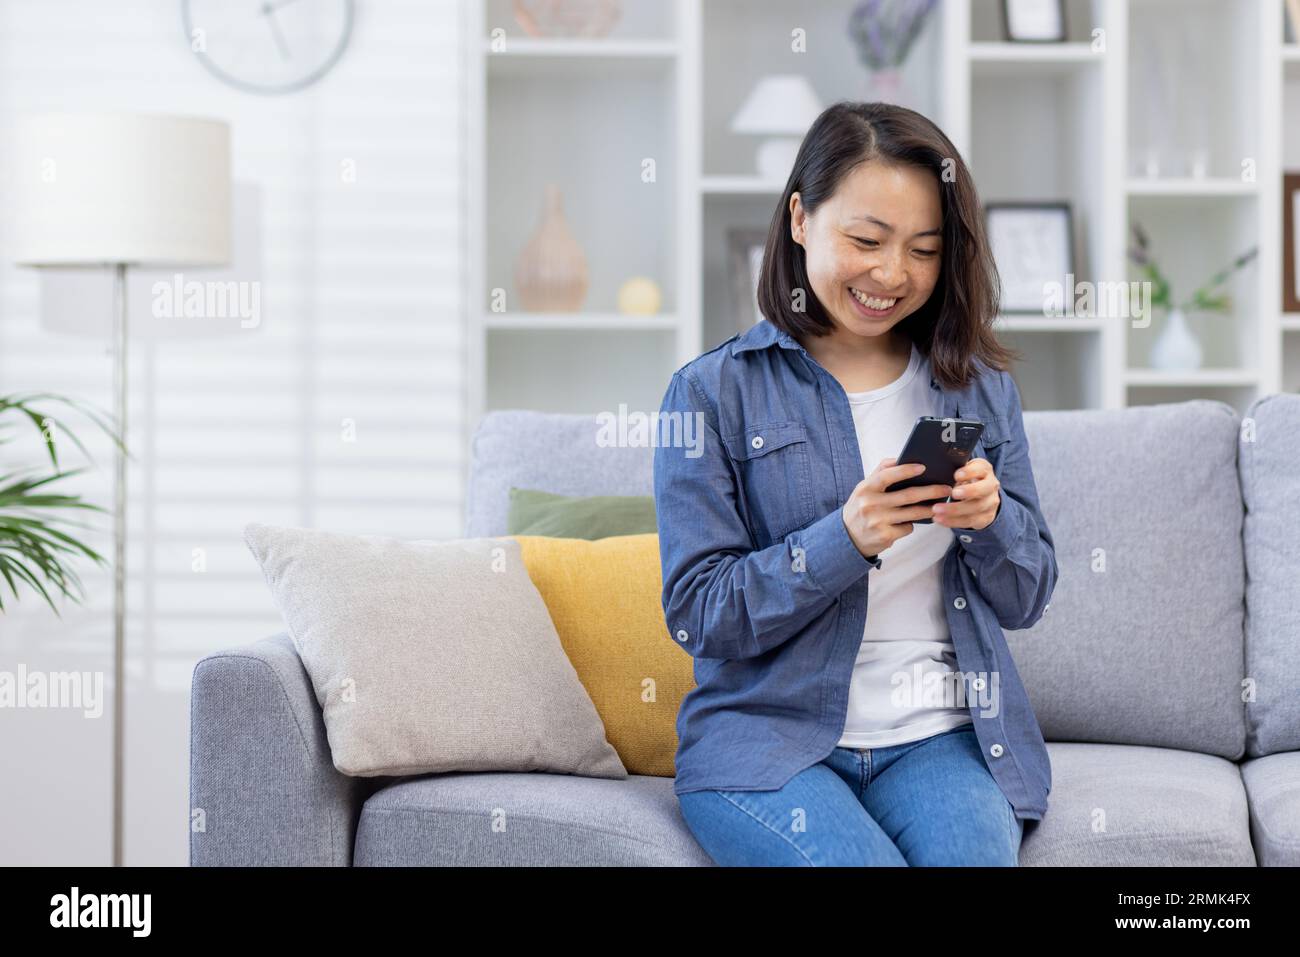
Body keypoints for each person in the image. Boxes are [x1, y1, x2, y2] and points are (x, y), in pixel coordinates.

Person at [652, 101, 1059, 866]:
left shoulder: (975, 387)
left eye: (924, 249)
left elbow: (1029, 594)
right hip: (769, 744)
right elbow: (698, 613)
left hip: (939, 739)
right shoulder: (712, 393)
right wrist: (844, 540)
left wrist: (991, 518)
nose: (892, 274)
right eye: (866, 240)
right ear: (802, 218)